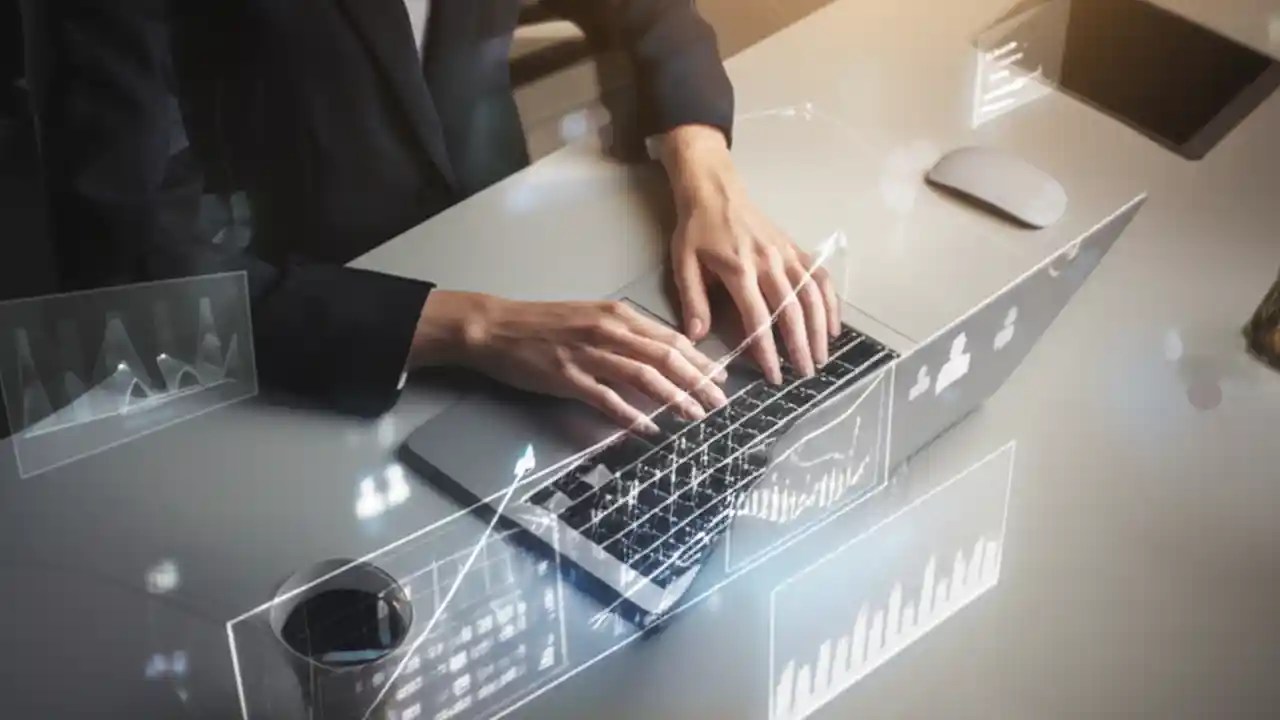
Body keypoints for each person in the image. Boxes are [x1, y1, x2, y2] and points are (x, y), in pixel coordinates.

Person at [23, 0, 839, 429]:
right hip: (290, 351)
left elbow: (645, 7)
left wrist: (705, 170)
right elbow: (131, 253)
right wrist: (469, 328)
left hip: (519, 273)